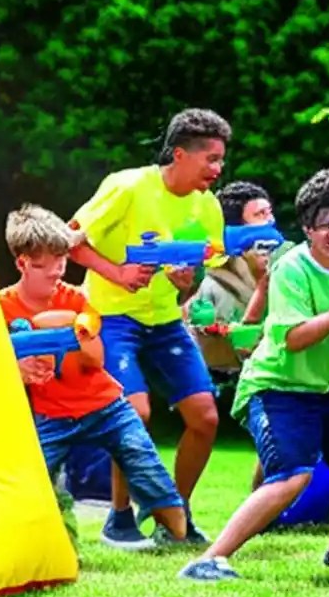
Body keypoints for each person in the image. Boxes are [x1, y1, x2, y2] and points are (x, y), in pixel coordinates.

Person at [178, 168, 329, 581]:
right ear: (308, 226)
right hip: (275, 387)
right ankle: (208, 559)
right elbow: (295, 339)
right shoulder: (292, 268)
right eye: (327, 223)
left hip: (324, 387)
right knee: (292, 477)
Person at [67, 108, 228, 547]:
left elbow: (198, 270)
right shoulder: (128, 186)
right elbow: (70, 240)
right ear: (179, 154)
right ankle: (119, 518)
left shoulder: (207, 205)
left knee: (205, 417)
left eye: (221, 160)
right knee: (134, 413)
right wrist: (117, 272)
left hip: (164, 320)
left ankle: (174, 515)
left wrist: (186, 279)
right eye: (210, 159)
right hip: (111, 315)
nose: (217, 169)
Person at [0, 204, 188, 551]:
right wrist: (17, 367)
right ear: (22, 263)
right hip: (51, 416)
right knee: (31, 483)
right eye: (45, 263)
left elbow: (96, 358)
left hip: (105, 406)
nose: (57, 271)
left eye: (63, 260)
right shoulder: (0, 307)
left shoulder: (75, 299)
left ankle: (180, 538)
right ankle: (35, 543)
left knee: (149, 471)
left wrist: (68, 327)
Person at [186, 180, 287, 374]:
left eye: (269, 212)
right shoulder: (211, 282)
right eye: (260, 215)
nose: (269, 221)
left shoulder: (287, 259)